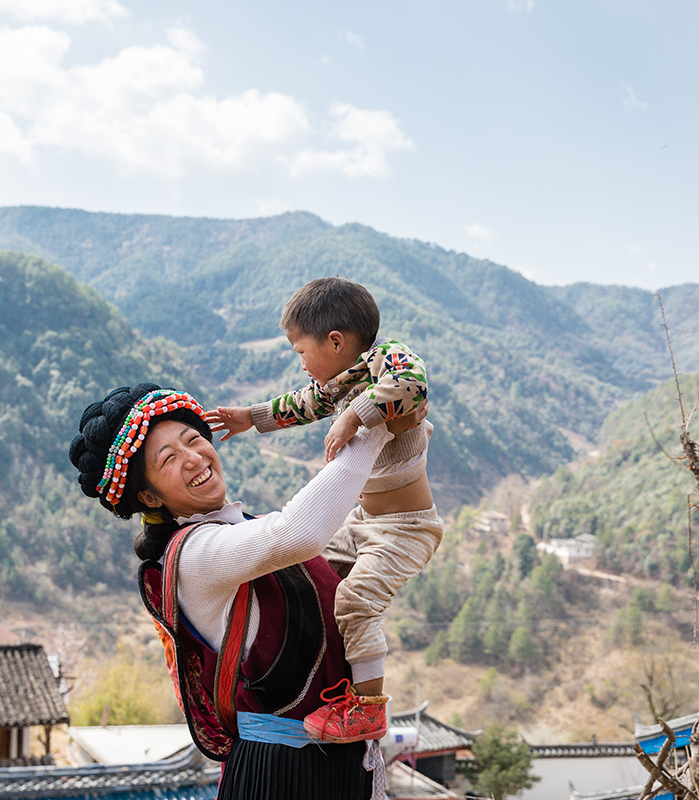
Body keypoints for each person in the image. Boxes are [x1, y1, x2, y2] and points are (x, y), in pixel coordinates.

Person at [68, 382, 426, 799]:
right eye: (169, 458)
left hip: (339, 765)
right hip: (278, 774)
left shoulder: (245, 533)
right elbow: (300, 532)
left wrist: (404, 435)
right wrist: (374, 423)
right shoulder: (193, 557)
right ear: (149, 495)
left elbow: (342, 551)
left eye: (194, 440)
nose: (193, 458)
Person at [204, 277, 444, 744]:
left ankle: (368, 708)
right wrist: (251, 418)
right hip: (364, 524)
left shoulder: (389, 359)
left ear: (335, 341)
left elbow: (411, 384)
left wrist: (355, 416)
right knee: (312, 578)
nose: (301, 364)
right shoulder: (345, 379)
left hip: (404, 530)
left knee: (356, 600)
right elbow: (305, 404)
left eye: (300, 351)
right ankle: (324, 679)